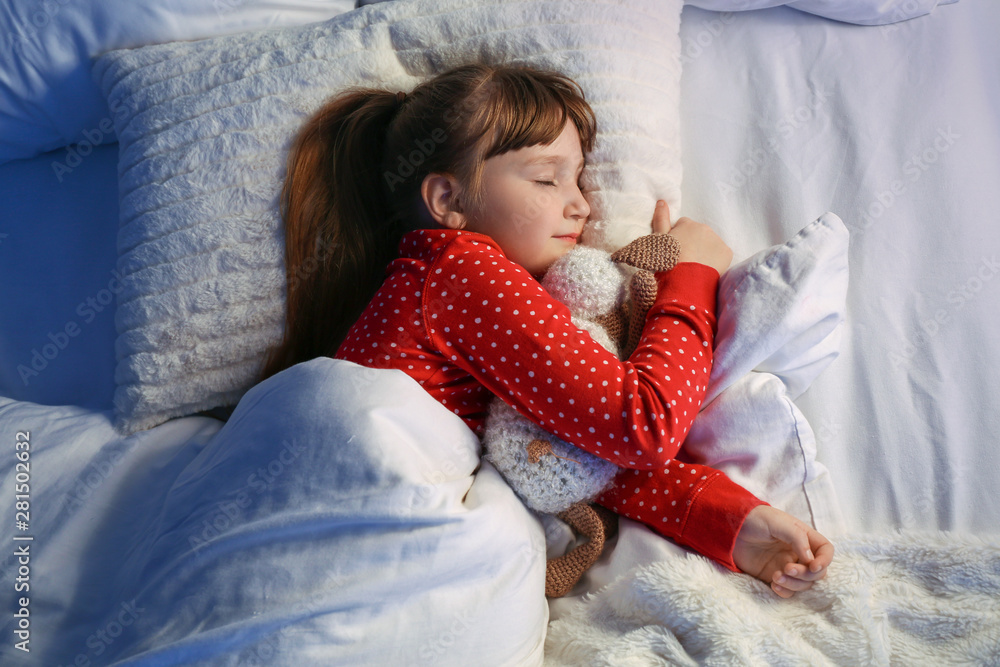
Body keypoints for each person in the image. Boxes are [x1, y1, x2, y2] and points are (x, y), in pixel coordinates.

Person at [260, 62, 833, 598]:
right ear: (447, 199)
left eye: (580, 180)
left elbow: (566, 460)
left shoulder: (458, 305)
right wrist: (693, 274)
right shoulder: (460, 269)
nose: (581, 206)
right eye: (546, 180)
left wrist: (732, 524)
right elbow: (645, 425)